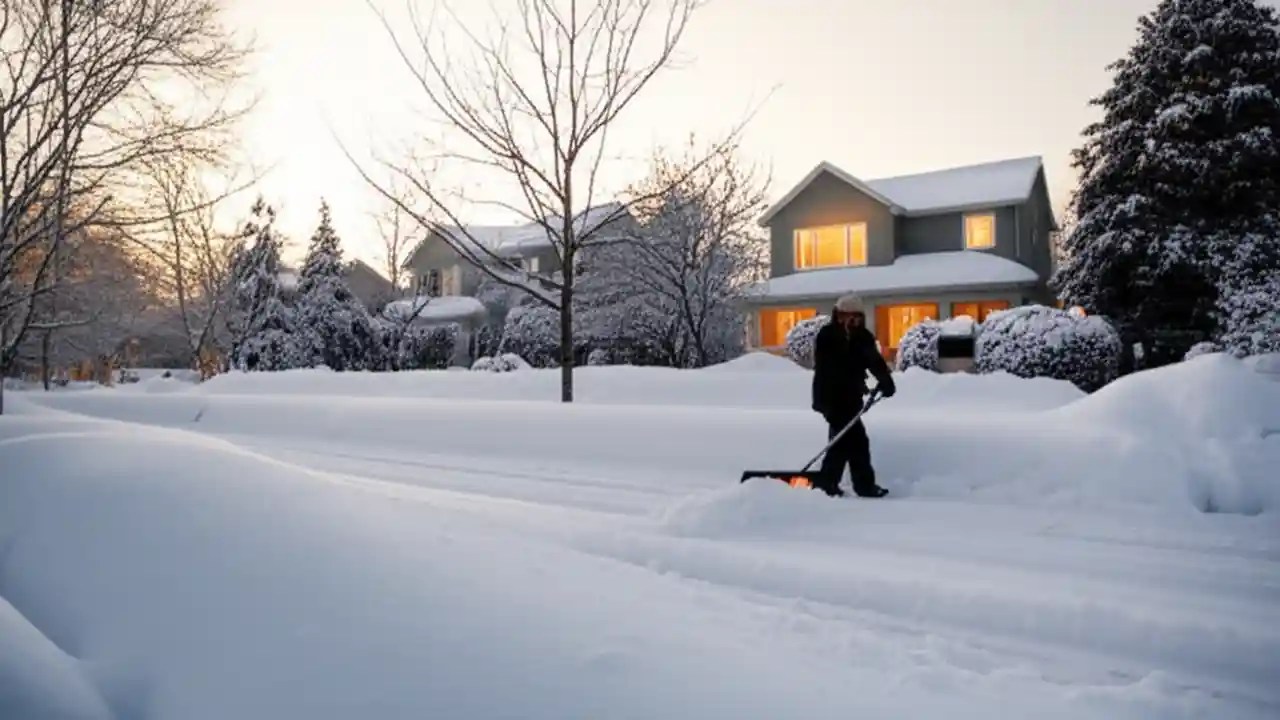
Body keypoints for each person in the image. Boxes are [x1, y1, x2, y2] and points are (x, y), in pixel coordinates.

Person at [811, 294, 896, 497]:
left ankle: (829, 484)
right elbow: (827, 371)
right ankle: (859, 486)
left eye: (856, 317)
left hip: (851, 398)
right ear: (837, 315)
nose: (851, 321)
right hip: (830, 398)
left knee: (843, 441)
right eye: (846, 316)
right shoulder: (828, 336)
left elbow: (874, 361)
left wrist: (886, 381)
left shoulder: (863, 337)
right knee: (855, 441)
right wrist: (825, 404)